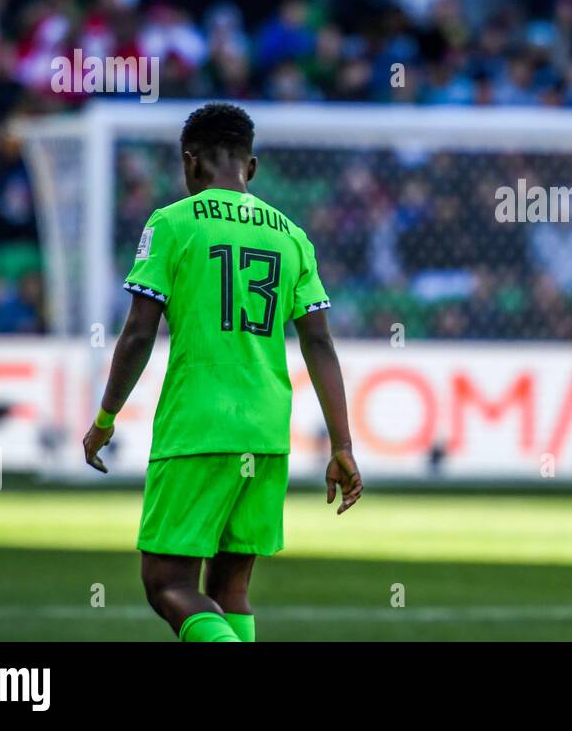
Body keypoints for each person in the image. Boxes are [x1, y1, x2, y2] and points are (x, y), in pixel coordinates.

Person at [82, 102, 362, 642]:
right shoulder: (291, 234)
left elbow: (139, 332)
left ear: (190, 163)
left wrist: (105, 416)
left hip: (198, 427)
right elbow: (319, 342)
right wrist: (342, 445)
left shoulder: (171, 223)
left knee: (166, 582)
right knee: (230, 589)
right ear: (250, 168)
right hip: (265, 430)